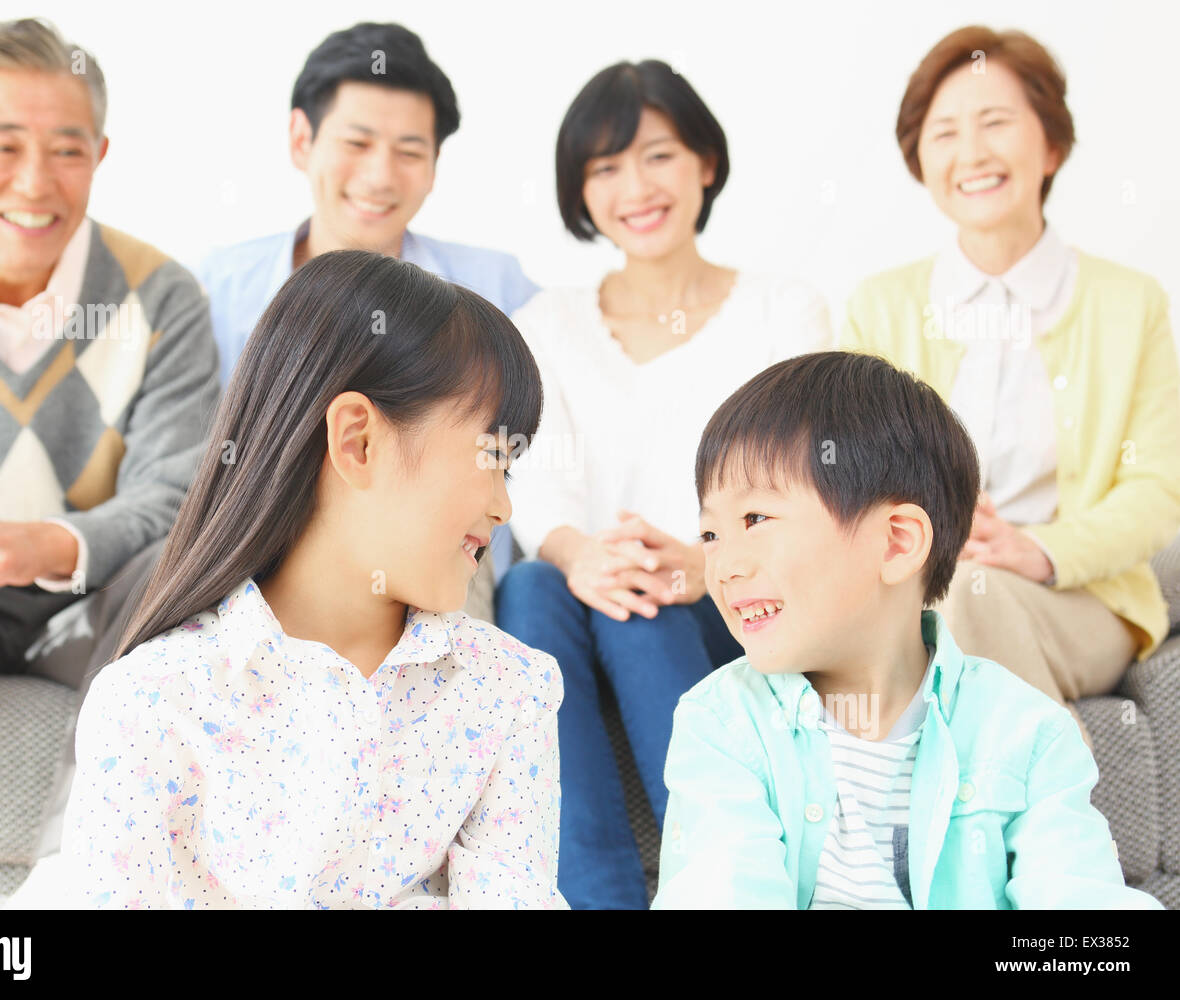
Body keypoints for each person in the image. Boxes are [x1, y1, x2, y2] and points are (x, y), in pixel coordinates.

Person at [55, 251, 566, 909]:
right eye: (492, 458)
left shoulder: (508, 691)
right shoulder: (152, 702)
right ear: (357, 442)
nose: (503, 507)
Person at [494, 59, 831, 909]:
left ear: (705, 164)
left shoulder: (783, 312)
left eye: (658, 156)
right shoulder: (546, 325)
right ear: (581, 191)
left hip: (733, 606)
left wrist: (702, 561)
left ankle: (716, 885)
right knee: (536, 580)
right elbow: (537, 491)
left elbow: (801, 493)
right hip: (580, 599)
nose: (634, 187)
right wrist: (583, 558)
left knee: (641, 609)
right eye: (605, 168)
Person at [654, 351, 1161, 909]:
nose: (723, 566)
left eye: (755, 520)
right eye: (709, 535)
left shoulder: (1027, 735)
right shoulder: (722, 725)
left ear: (897, 542)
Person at [840, 26, 1180, 751]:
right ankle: (1059, 845)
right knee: (941, 606)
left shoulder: (1130, 304)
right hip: (915, 592)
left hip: (1077, 599)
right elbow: (849, 474)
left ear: (1051, 146)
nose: (973, 153)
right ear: (920, 160)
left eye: (996, 123)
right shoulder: (881, 306)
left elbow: (1157, 489)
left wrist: (1039, 550)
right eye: (945, 132)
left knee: (971, 597)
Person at [0, 18, 218, 694]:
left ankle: (99, 803)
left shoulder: (162, 297)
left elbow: (178, 496)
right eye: (2, 147)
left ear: (100, 153)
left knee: (204, 576)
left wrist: (45, 543)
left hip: (93, 613)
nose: (35, 185)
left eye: (67, 151)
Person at [194, 21, 539, 597]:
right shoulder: (217, 289)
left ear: (434, 167)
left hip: (443, 561)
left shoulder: (497, 288)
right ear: (301, 140)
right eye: (357, 144)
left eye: (409, 151)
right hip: (262, 558)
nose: (380, 176)